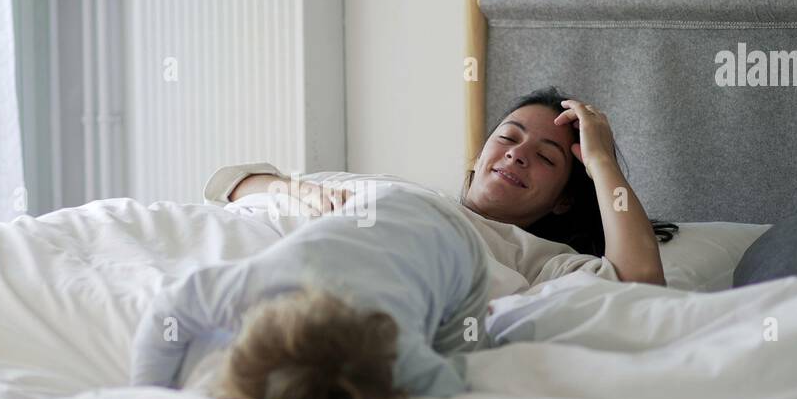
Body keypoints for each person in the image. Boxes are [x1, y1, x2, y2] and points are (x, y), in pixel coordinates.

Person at [204, 87, 675, 288]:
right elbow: (228, 183)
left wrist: (601, 160)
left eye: (546, 157)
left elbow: (640, 284)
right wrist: (297, 191)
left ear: (564, 200)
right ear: (480, 155)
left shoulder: (537, 260)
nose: (517, 154)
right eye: (508, 137)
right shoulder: (386, 185)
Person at [129, 184, 493, 399]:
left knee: (467, 349)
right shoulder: (255, 284)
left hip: (462, 244)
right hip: (379, 203)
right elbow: (168, 311)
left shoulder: (406, 356)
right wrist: (147, 397)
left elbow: (452, 384)